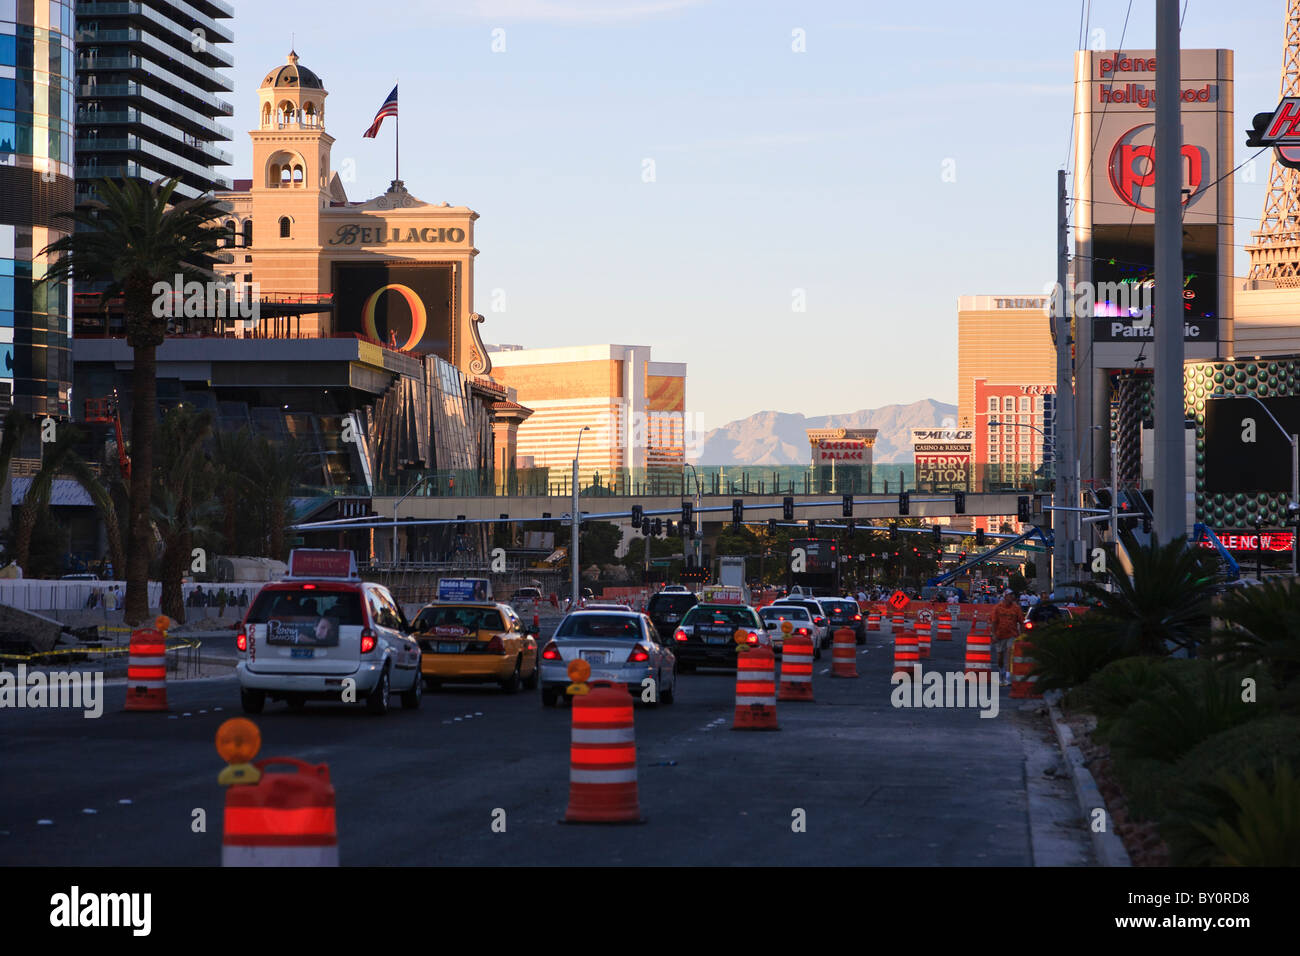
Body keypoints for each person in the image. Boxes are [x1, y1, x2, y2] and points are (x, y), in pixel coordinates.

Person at [991, 591, 1024, 686]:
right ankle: (1002, 673)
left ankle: (1008, 677)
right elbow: (994, 621)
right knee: (1000, 657)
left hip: (1012, 634)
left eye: (1012, 595)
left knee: (1010, 653)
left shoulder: (1016, 608)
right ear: (1005, 597)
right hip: (999, 635)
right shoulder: (997, 608)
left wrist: (1022, 635)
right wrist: (993, 634)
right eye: (1010, 595)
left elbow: (1021, 622)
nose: (1011, 597)